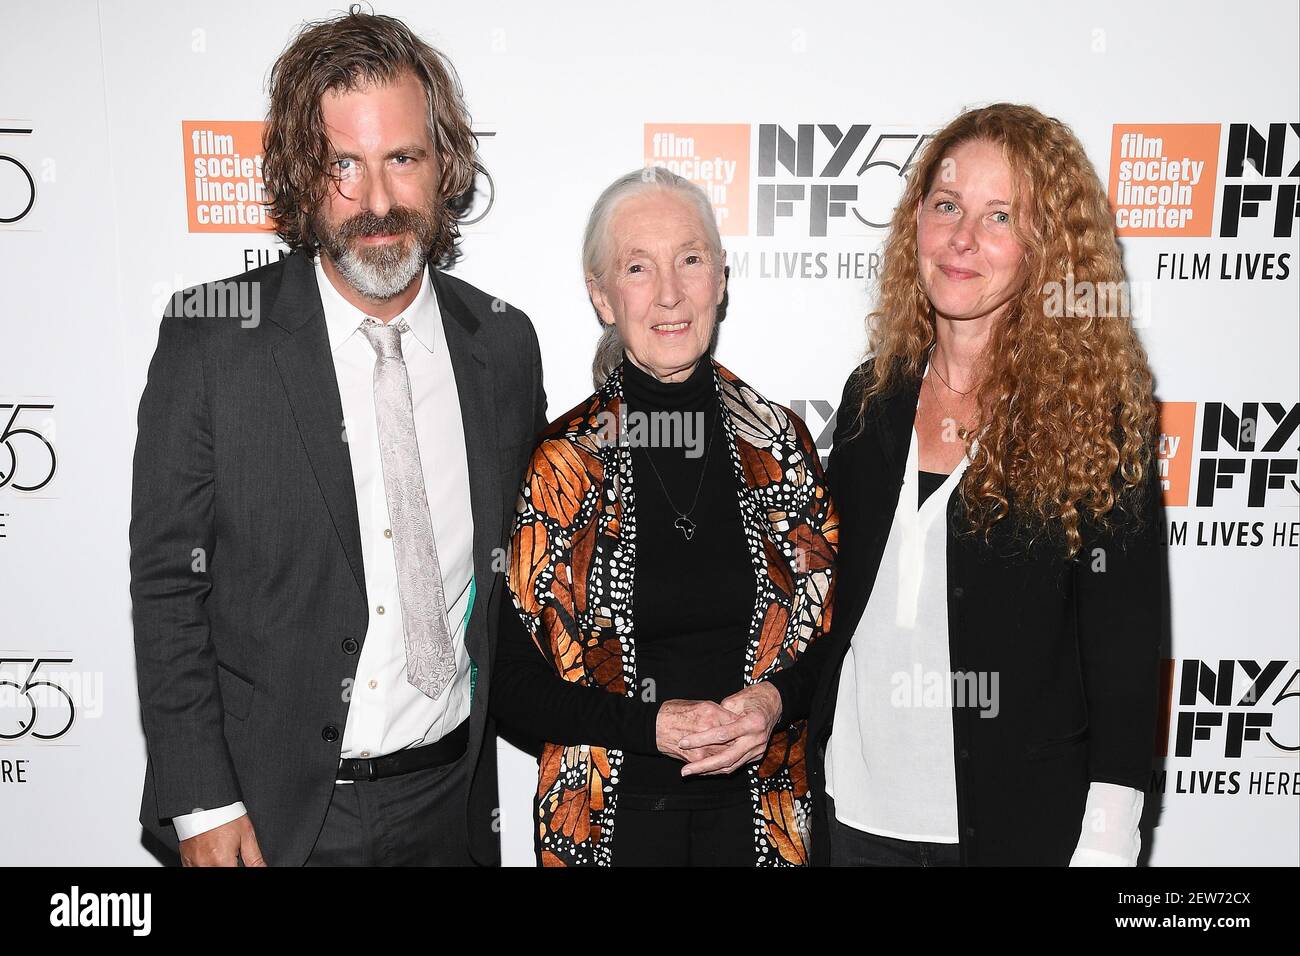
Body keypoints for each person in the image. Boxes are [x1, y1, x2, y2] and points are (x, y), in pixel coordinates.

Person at [130, 10, 546, 866]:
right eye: (341, 166)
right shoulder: (213, 340)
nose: (379, 202)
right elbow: (171, 586)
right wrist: (201, 799)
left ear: (445, 165)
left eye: (402, 159)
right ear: (298, 175)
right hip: (275, 821)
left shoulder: (503, 346)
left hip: (451, 809)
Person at [784, 103, 1165, 866]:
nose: (962, 240)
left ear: (1044, 249)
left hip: (1015, 831)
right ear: (916, 221)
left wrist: (1108, 840)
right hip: (852, 815)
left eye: (1000, 217)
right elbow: (839, 604)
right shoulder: (872, 396)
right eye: (947, 206)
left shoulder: (1095, 420)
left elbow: (1126, 651)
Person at [492, 168, 838, 866]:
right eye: (638, 267)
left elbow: (840, 642)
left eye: (690, 259)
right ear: (602, 295)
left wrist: (772, 703)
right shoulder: (564, 467)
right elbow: (514, 690)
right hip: (609, 831)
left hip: (763, 823)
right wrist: (652, 726)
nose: (671, 294)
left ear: (721, 278)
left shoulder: (782, 449)